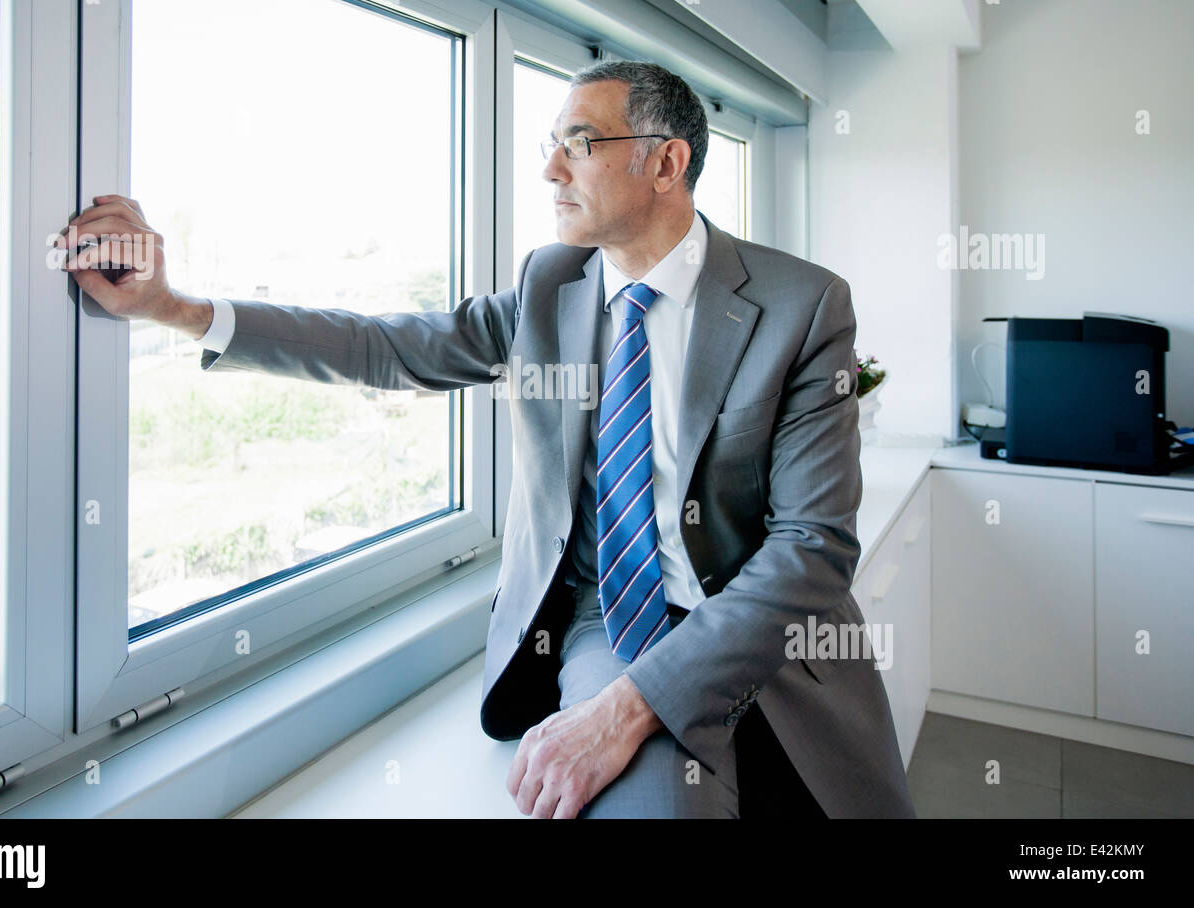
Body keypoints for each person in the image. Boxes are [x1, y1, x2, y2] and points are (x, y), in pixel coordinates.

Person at [55, 59, 915, 820]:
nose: (549, 168)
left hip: (765, 634)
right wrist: (173, 309)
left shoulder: (801, 304)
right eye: (551, 143)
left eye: (579, 142)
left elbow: (813, 543)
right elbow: (387, 347)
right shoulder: (552, 286)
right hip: (608, 620)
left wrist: (637, 702)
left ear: (665, 160)